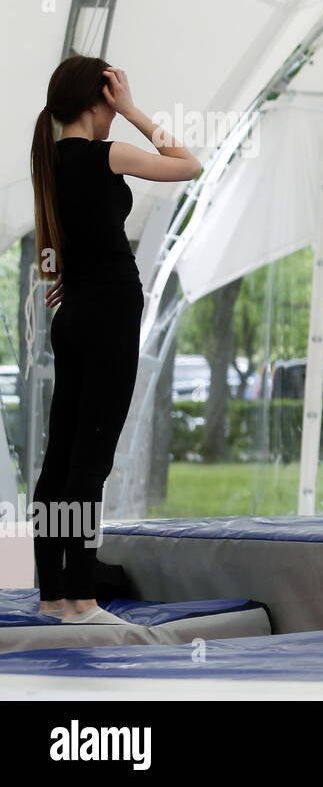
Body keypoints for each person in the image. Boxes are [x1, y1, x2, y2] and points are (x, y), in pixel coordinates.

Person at [30, 56, 202, 624]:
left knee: (61, 457)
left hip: (76, 314)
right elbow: (188, 165)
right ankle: (81, 598)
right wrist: (133, 112)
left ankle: (54, 593)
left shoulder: (48, 161)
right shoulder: (106, 154)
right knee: (89, 459)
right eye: (113, 96)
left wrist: (69, 282)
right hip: (106, 314)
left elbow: (65, 236)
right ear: (97, 99)